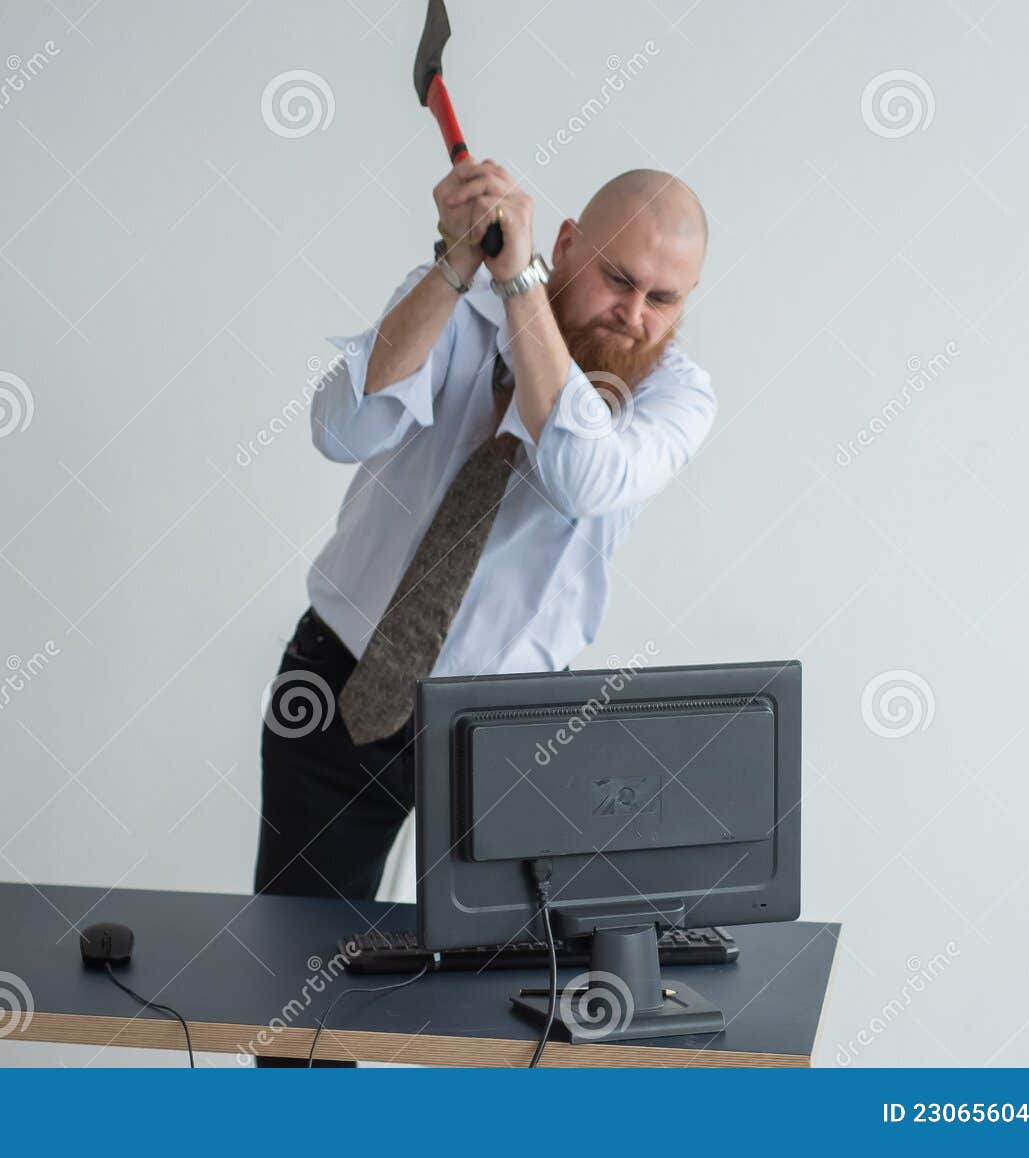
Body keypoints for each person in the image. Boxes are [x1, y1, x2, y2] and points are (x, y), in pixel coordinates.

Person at [252, 161, 714, 1064]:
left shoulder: (675, 396)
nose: (634, 315)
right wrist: (458, 271)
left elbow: (582, 476)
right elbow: (339, 428)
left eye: (664, 298)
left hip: (510, 731)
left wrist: (520, 289)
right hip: (339, 683)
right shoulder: (456, 305)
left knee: (515, 1011)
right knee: (298, 999)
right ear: (568, 242)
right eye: (619, 280)